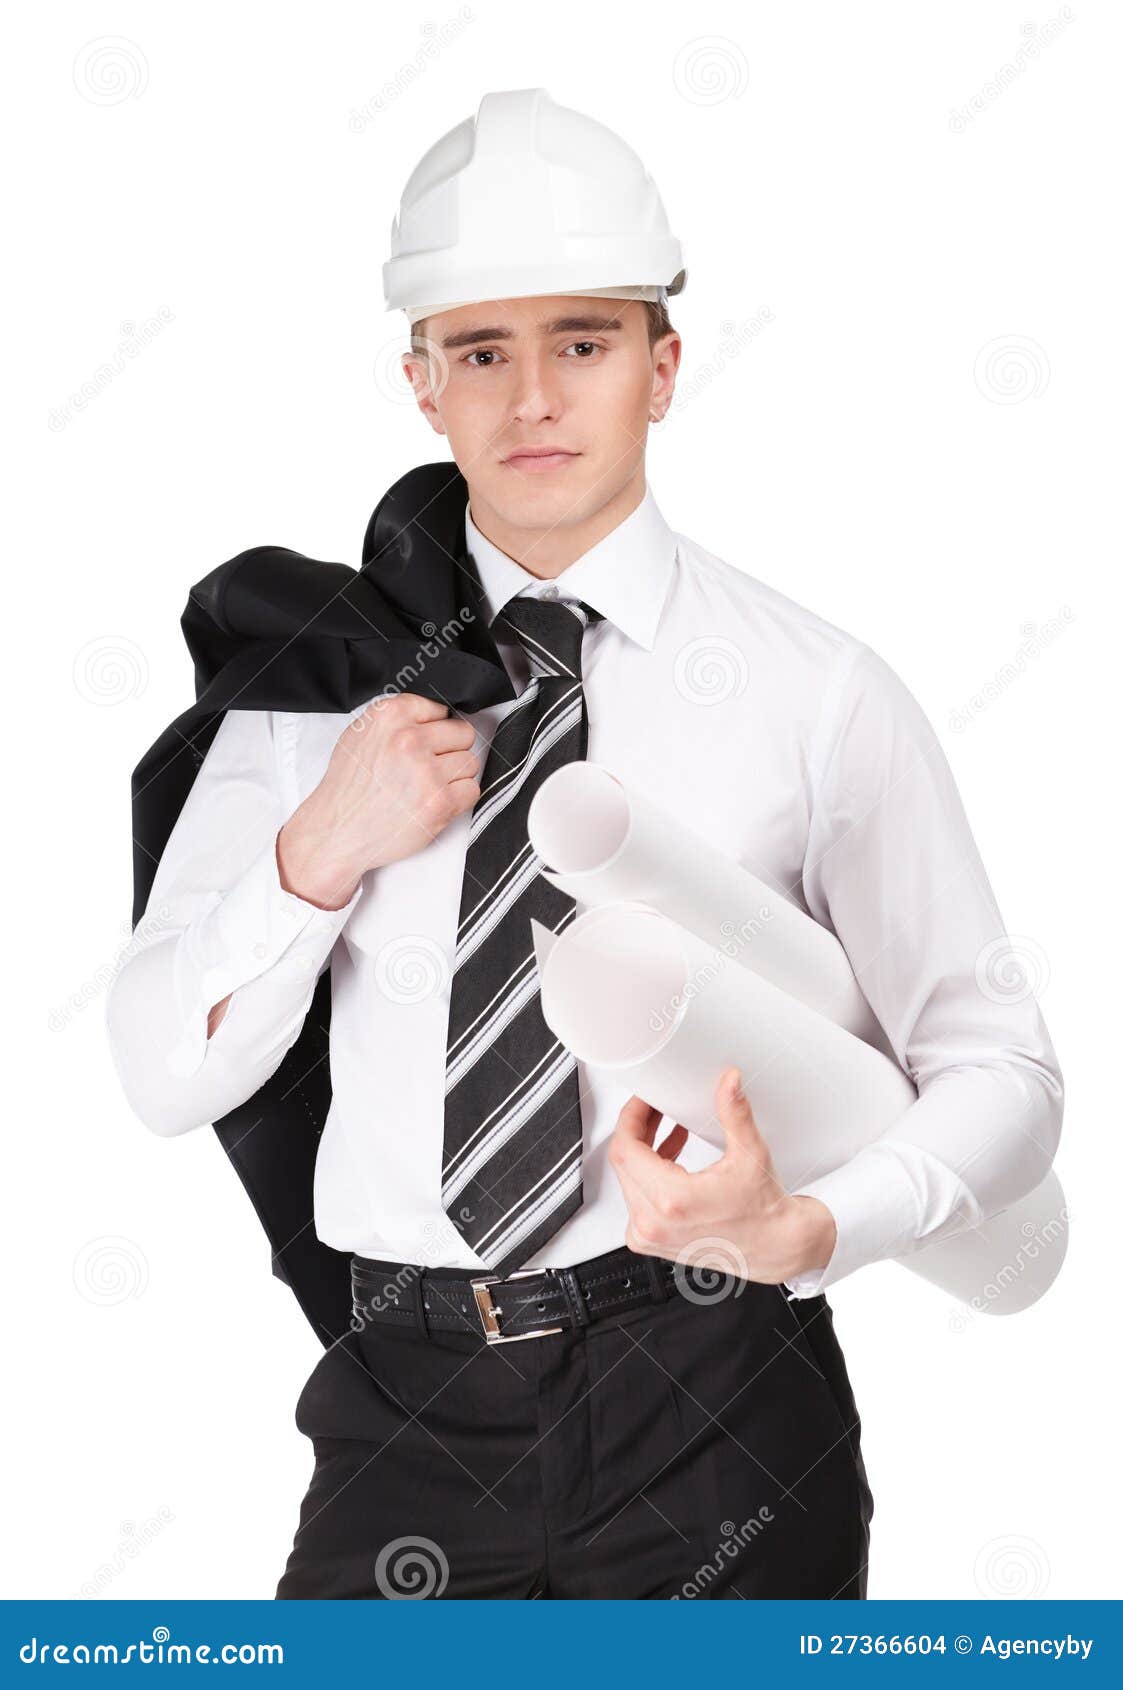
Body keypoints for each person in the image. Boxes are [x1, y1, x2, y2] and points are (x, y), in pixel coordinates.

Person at [106, 88, 1063, 1600]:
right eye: (481, 350)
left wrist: (810, 1220)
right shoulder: (316, 698)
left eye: (585, 341)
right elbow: (163, 1070)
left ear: (665, 366)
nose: (532, 396)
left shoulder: (817, 693)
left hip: (720, 1397)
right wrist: (318, 848)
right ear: (420, 383)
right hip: (404, 1415)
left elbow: (1003, 1073)